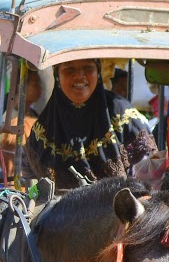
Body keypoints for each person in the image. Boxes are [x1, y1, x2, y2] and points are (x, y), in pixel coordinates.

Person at [21, 58, 155, 188]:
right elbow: (30, 183)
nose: (79, 76)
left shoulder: (124, 116)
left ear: (98, 72)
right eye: (69, 69)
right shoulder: (43, 127)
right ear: (57, 75)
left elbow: (150, 180)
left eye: (88, 68)